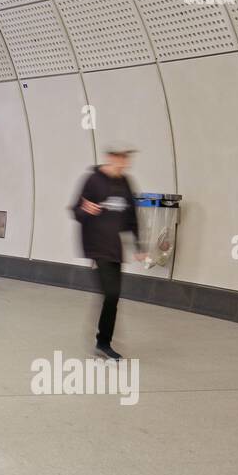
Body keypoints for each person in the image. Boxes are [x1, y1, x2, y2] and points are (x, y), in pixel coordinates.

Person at [72, 146, 146, 361]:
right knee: (111, 293)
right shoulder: (92, 180)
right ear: (110, 158)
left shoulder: (125, 182)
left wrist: (139, 245)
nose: (124, 164)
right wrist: (85, 210)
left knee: (113, 297)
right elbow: (75, 210)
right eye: (120, 160)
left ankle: (104, 342)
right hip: (96, 246)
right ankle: (102, 342)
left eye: (126, 160)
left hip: (114, 247)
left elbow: (132, 215)